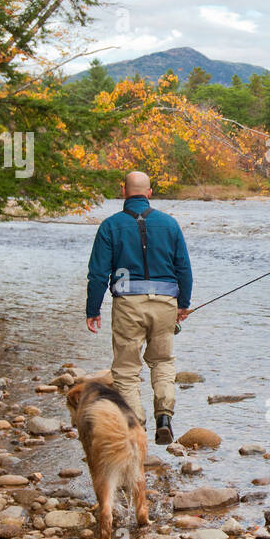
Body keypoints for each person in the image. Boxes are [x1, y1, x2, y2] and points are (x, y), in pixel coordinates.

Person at [84, 171, 192, 445]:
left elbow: (97, 274)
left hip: (128, 304)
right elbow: (184, 270)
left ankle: (137, 426)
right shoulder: (169, 224)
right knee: (162, 362)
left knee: (126, 369)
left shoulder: (110, 226)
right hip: (166, 302)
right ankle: (164, 417)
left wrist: (92, 309)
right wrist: (183, 305)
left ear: (124, 191)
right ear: (150, 193)